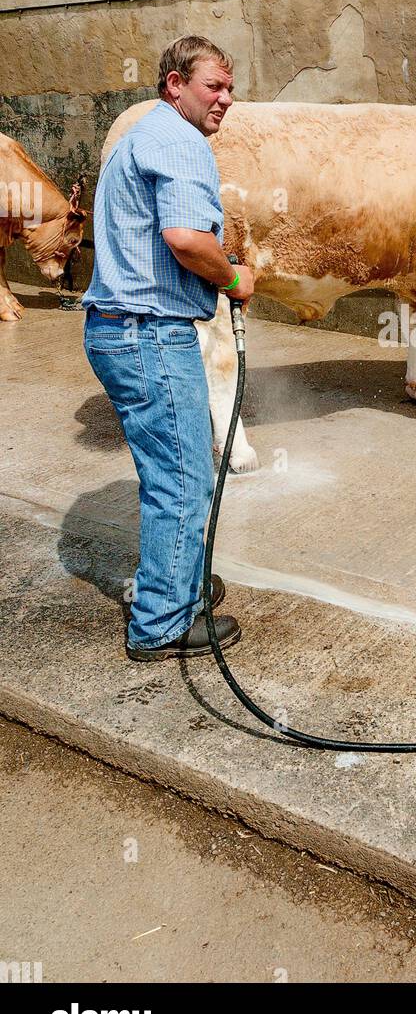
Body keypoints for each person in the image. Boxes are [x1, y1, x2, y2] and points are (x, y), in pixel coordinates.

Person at [81, 35, 255, 661]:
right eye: (215, 86)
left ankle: (176, 586)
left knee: (173, 473)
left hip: (119, 328)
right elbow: (184, 237)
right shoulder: (181, 143)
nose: (226, 100)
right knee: (183, 479)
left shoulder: (142, 137)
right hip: (148, 333)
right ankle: (161, 622)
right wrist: (233, 277)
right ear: (175, 84)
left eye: (231, 88)